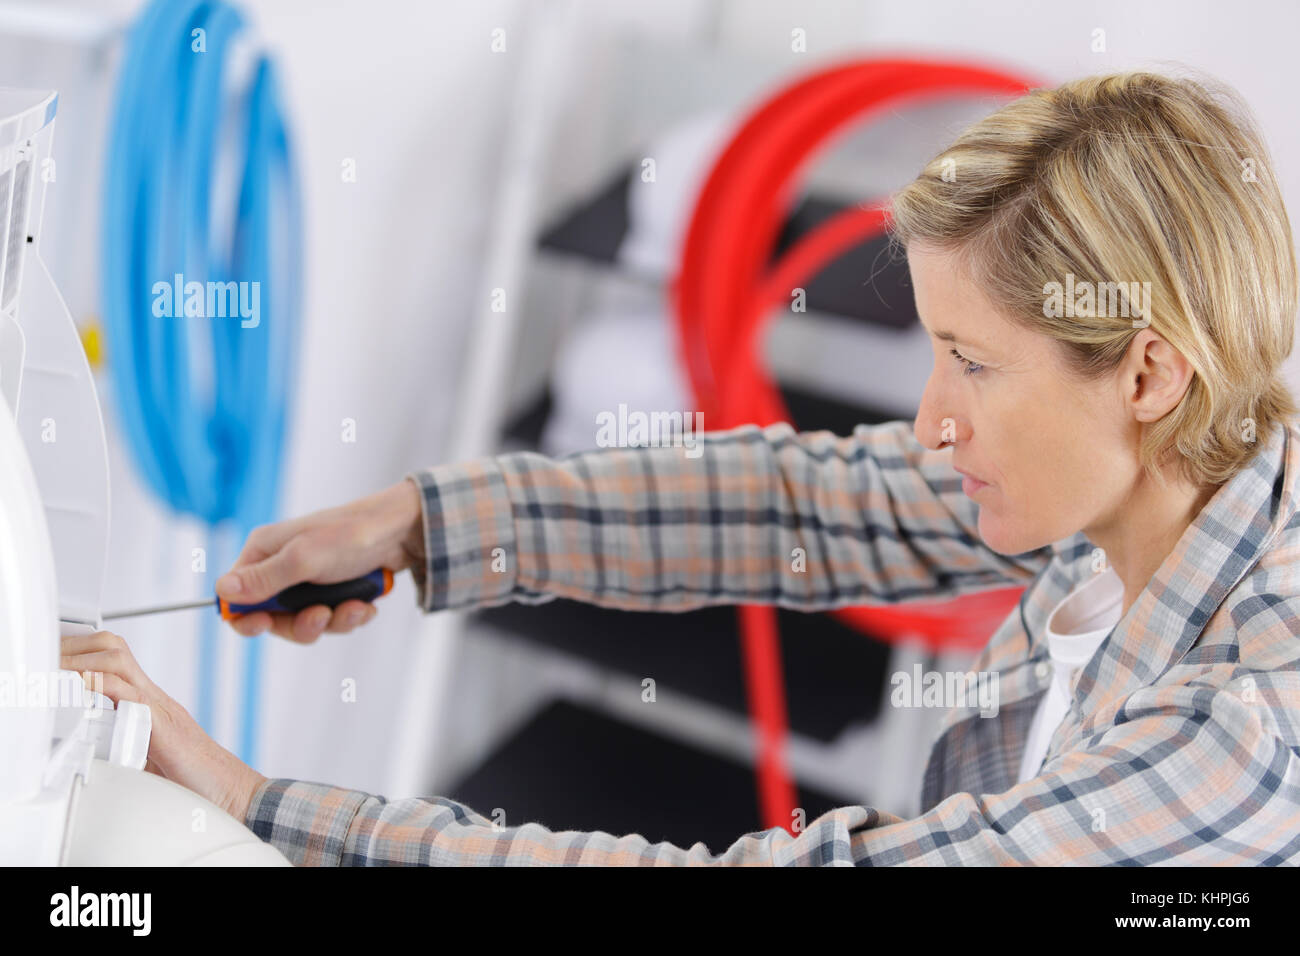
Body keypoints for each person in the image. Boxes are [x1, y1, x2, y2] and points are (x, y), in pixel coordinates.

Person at [62, 69, 1300, 865]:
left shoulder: (1249, 732)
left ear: (1146, 372)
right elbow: (797, 503)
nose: (931, 420)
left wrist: (252, 804)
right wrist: (419, 522)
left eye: (972, 363)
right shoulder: (1146, 482)